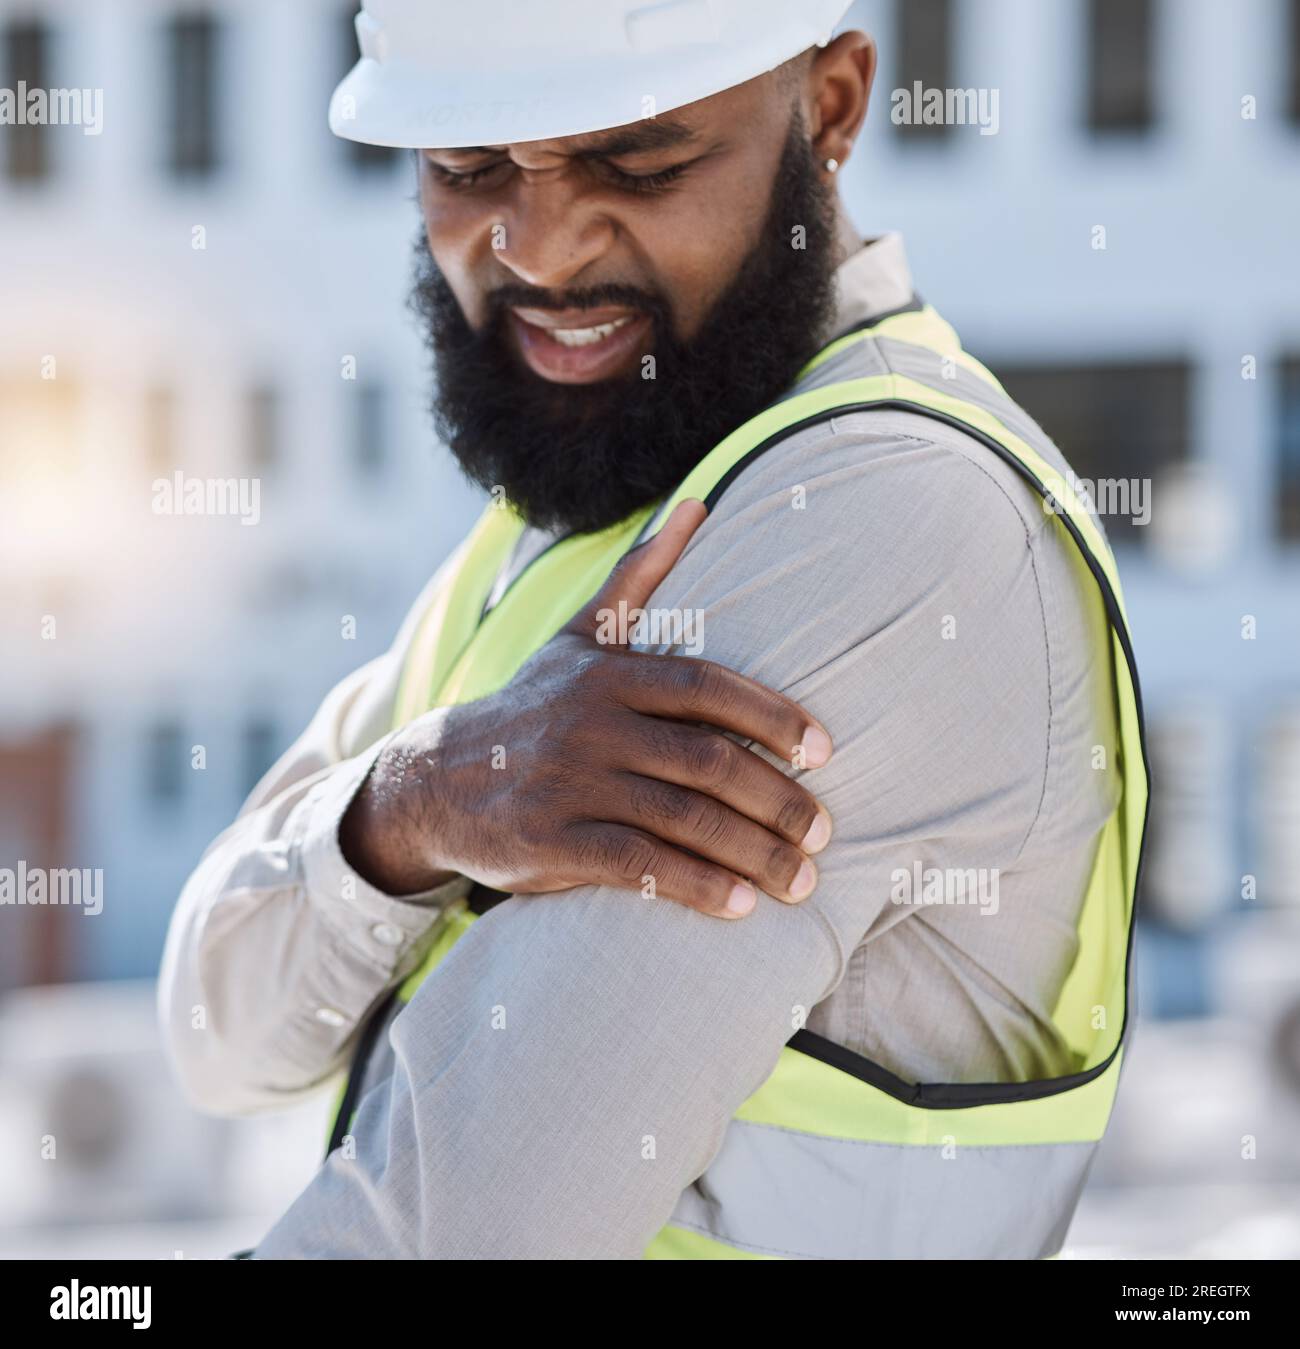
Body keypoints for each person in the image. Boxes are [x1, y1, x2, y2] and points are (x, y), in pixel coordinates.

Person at [159, 1, 1147, 1259]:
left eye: (636, 161)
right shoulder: (556, 529)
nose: (541, 250)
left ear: (831, 106)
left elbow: (452, 1230)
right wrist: (407, 809)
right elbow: (216, 1030)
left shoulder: (880, 516)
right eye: (467, 169)